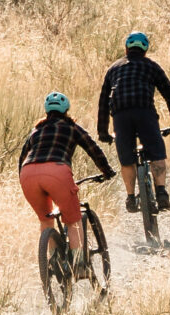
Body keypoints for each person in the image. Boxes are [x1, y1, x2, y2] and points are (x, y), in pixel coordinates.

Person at [17, 91, 115, 272]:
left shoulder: (36, 130)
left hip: (28, 174)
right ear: (66, 110)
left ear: (46, 111)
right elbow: (93, 148)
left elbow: (22, 157)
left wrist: (23, 179)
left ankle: (54, 261)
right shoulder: (72, 128)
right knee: (73, 219)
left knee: (46, 219)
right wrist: (107, 171)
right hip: (57, 171)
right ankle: (79, 265)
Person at [98, 30, 170, 213]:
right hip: (145, 113)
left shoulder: (113, 68)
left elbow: (103, 102)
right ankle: (161, 192)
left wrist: (102, 132)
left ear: (126, 49)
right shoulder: (152, 66)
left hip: (120, 116)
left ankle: (130, 198)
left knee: (127, 160)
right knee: (157, 153)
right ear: (145, 50)